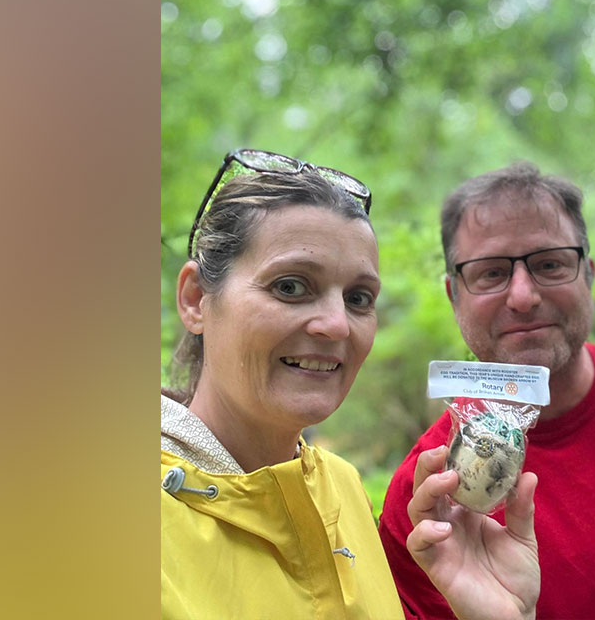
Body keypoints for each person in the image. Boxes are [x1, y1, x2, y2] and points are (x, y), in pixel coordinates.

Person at [160, 149, 541, 620]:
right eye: (290, 286)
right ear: (196, 299)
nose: (337, 325)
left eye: (359, 297)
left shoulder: (343, 487)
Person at [379, 162, 595, 619]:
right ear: (454, 295)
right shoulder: (427, 502)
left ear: (588, 274)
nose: (523, 296)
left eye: (549, 264)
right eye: (491, 273)